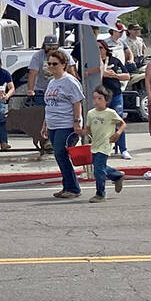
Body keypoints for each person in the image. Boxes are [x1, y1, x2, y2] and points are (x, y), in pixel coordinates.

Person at [38, 50, 85, 199]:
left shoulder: (70, 81)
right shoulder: (52, 82)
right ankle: (67, 186)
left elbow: (77, 102)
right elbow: (49, 105)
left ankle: (73, 188)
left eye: (55, 64)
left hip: (66, 124)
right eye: (49, 64)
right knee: (60, 156)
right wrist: (45, 124)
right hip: (53, 124)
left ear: (64, 65)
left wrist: (77, 122)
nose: (51, 66)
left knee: (60, 153)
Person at [85, 86, 127, 203]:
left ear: (106, 100)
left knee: (98, 170)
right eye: (94, 98)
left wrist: (117, 133)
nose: (96, 101)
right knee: (100, 167)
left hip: (105, 144)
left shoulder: (110, 113)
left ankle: (100, 194)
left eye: (100, 98)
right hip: (95, 144)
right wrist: (82, 132)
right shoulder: (90, 113)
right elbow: (88, 129)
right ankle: (117, 175)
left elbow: (122, 124)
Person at [96, 36, 133, 160]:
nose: (99, 50)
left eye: (101, 48)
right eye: (96, 48)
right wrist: (102, 73)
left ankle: (123, 149)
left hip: (115, 94)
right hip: (100, 97)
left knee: (118, 121)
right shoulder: (92, 63)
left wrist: (115, 75)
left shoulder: (114, 60)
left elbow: (127, 75)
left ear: (106, 49)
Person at [26, 35, 61, 105]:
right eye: (48, 46)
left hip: (59, 89)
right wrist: (30, 90)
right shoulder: (38, 55)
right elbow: (32, 73)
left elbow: (70, 69)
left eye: (54, 47)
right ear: (44, 46)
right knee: (41, 111)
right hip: (41, 90)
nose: (51, 49)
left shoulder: (63, 54)